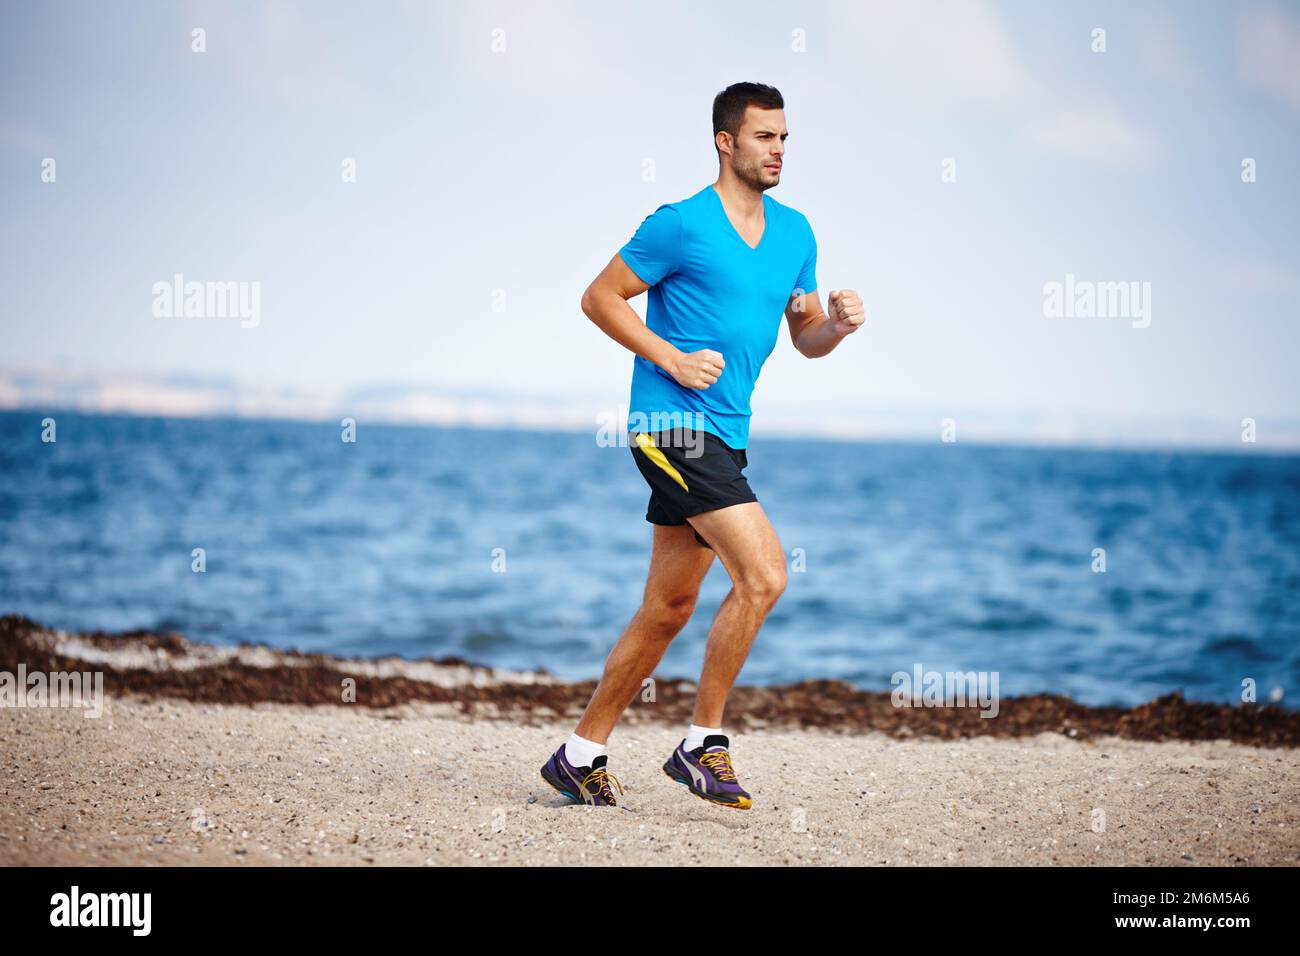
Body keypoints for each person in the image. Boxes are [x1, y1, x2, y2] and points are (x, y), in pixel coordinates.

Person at [539, 81, 865, 809]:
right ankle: (702, 743)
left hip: (726, 433)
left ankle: (579, 753)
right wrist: (671, 359)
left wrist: (836, 327)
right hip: (670, 428)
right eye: (763, 137)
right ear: (726, 141)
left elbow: (804, 338)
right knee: (766, 574)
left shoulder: (796, 234)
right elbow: (598, 297)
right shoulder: (680, 225)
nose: (778, 150)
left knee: (669, 606)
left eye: (784, 138)